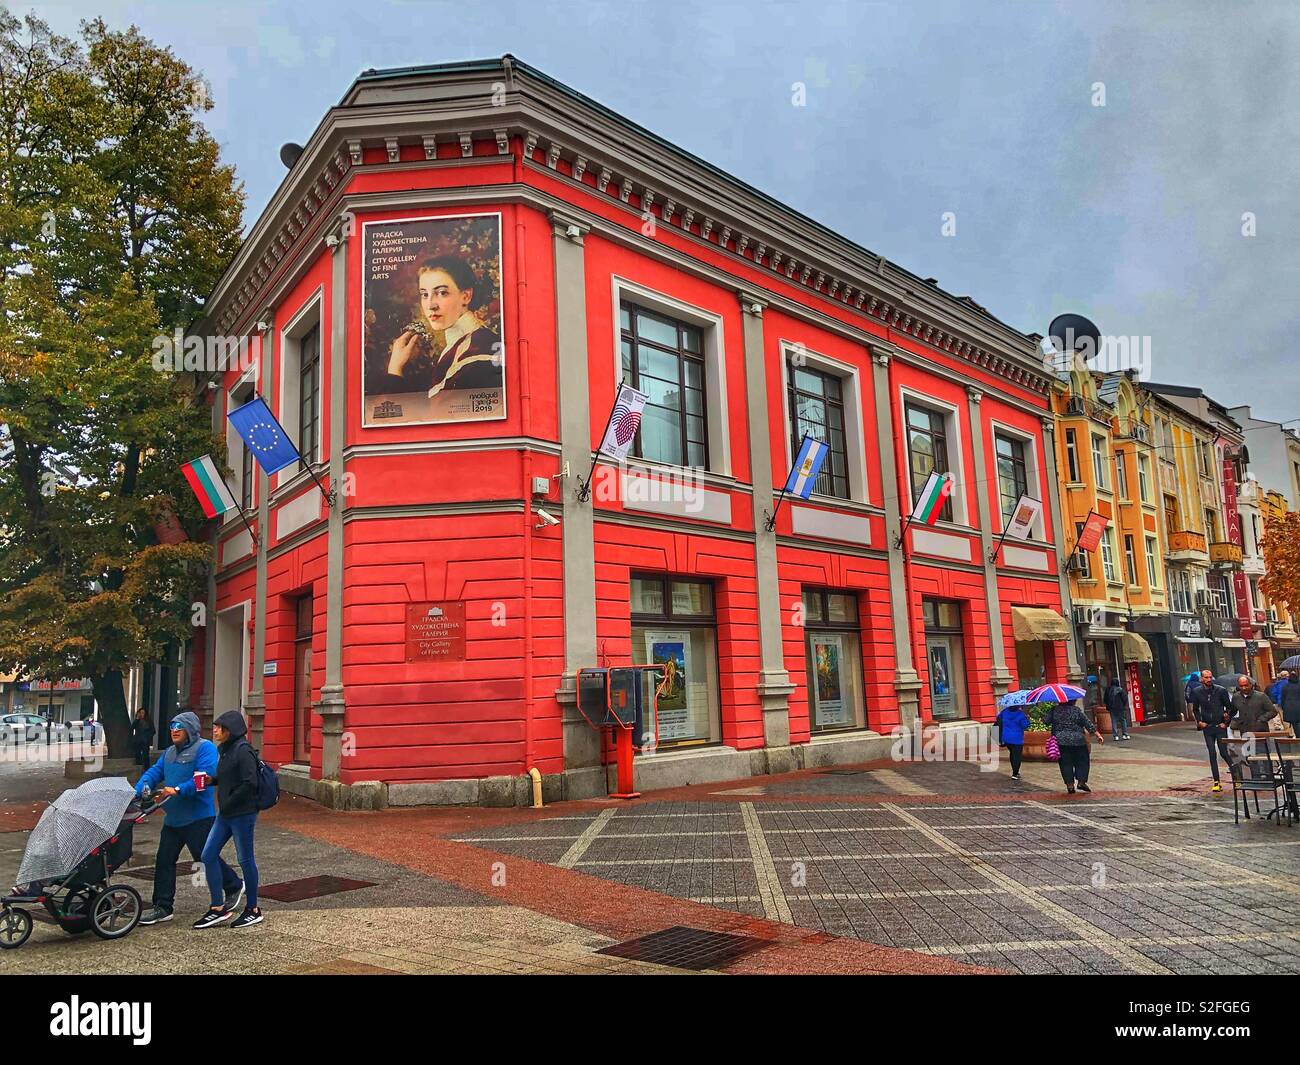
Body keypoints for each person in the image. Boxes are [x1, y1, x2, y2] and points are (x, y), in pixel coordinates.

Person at [134, 713, 243, 925]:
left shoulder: (205, 748)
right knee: (164, 860)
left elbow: (204, 779)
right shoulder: (168, 753)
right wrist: (139, 789)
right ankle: (163, 906)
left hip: (198, 818)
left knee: (204, 858)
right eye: (172, 726)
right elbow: (154, 773)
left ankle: (233, 885)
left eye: (179, 727)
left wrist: (178, 789)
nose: (174, 730)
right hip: (173, 819)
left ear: (191, 730)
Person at [380, 256, 502, 397]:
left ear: (466, 296)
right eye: (424, 294)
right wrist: (397, 366)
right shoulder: (458, 344)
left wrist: (394, 369)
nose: (431, 305)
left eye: (442, 293)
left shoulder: (478, 352)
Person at [196, 710, 263, 929]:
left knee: (245, 859)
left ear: (230, 729)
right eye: (214, 726)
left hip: (242, 814)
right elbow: (229, 778)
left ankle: (253, 909)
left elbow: (249, 782)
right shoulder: (224, 749)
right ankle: (217, 908)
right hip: (225, 814)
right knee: (208, 854)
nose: (214, 730)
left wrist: (230, 801)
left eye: (219, 727)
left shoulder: (243, 750)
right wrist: (212, 780)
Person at [1189, 669, 1233, 793]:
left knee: (1224, 752)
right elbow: (1196, 709)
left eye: (1210, 677)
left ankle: (1237, 777)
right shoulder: (1197, 692)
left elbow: (1229, 708)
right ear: (1201, 679)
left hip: (1220, 726)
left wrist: (1226, 723)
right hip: (1207, 727)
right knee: (1212, 753)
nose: (1209, 680)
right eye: (1206, 677)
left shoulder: (1220, 690)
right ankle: (1216, 781)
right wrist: (1199, 722)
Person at [1048, 700, 1102, 793]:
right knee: (1082, 761)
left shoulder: (1055, 710)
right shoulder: (1076, 710)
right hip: (1078, 740)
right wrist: (1097, 734)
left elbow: (1046, 721)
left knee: (1065, 763)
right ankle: (1081, 782)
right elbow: (1087, 722)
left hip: (1061, 740)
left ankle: (1070, 786)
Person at [994, 701, 1030, 780]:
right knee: (1017, 756)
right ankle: (1015, 773)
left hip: (1006, 738)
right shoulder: (1020, 714)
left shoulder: (1004, 712)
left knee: (1012, 753)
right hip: (1017, 739)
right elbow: (1025, 726)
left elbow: (998, 719)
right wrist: (1027, 718)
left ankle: (1015, 770)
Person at [1105, 675, 1132, 741]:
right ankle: (1125, 734)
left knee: (1114, 721)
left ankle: (1115, 736)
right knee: (1123, 720)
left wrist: (1108, 705)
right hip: (1120, 707)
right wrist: (1123, 705)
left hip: (1112, 708)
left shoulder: (1108, 690)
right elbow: (1125, 698)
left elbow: (1105, 699)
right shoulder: (1120, 689)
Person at [1281, 669, 1300, 740]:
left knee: (1294, 723)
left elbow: (1283, 698)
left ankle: (1298, 737)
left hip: (1289, 708)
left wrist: (1284, 708)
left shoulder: (1285, 687)